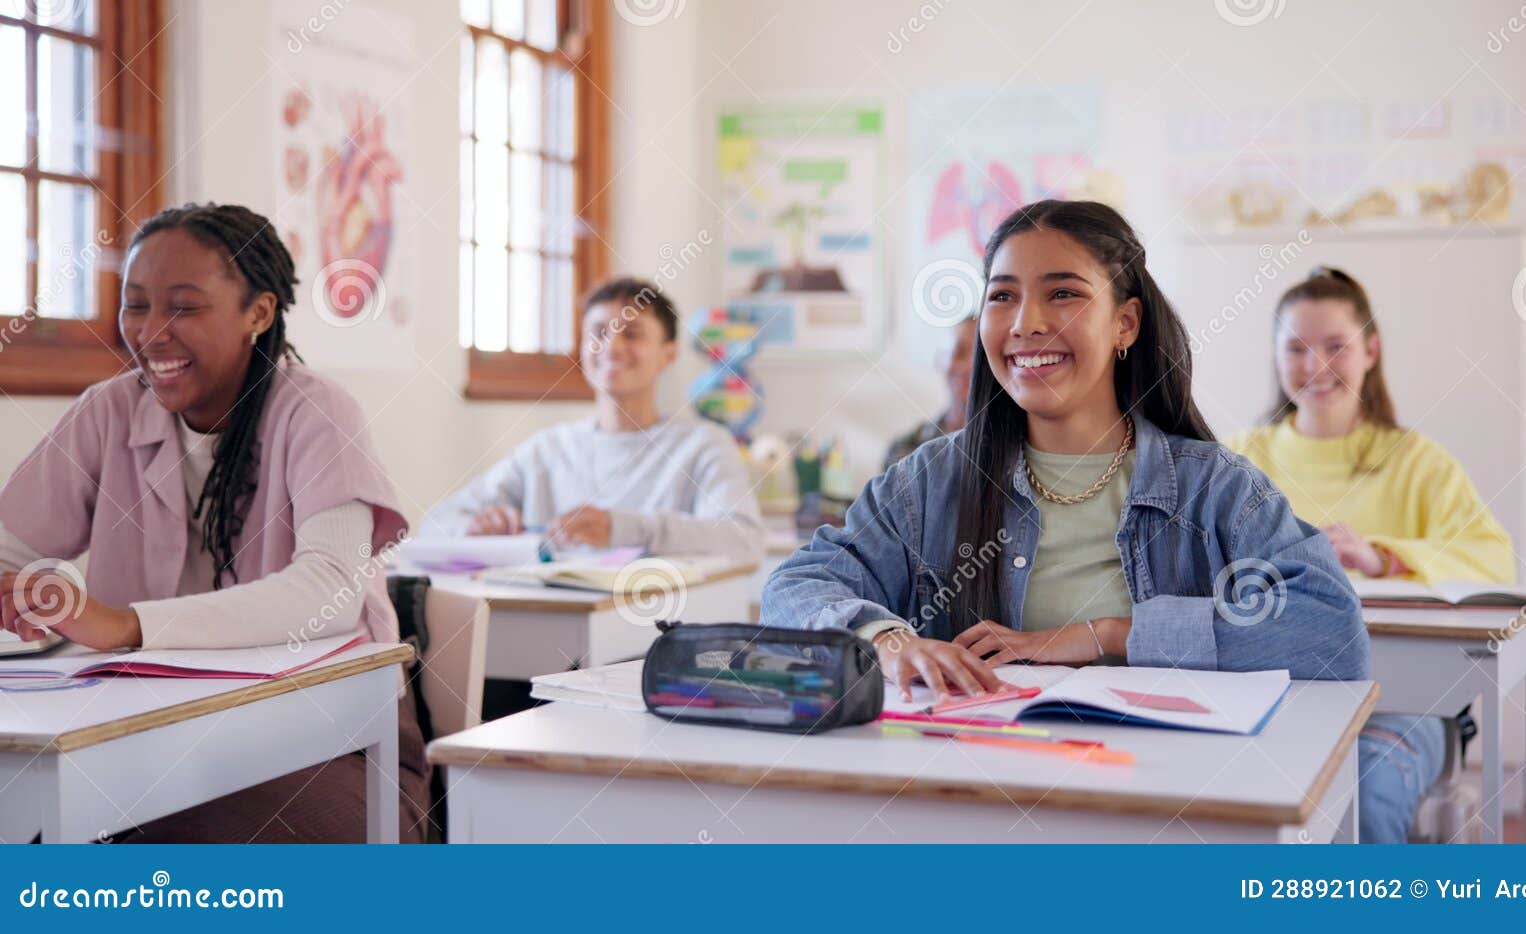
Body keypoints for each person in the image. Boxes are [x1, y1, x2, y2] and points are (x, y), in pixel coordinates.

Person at [762, 198, 1367, 714]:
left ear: (1125, 323)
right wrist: (889, 641)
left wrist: (1100, 636)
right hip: (983, 784)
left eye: (1063, 294)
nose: (1026, 323)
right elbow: (796, 587)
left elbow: (1329, 630)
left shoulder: (1215, 488)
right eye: (1003, 297)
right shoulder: (929, 480)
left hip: (1166, 787)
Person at [0, 203, 427, 842]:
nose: (150, 333)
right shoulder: (109, 412)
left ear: (257, 313)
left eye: (184, 307)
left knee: (164, 845)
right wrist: (18, 592)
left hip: (329, 740)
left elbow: (331, 591)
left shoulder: (315, 413)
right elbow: (9, 545)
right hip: (143, 733)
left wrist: (125, 625)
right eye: (136, 305)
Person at [1227, 265, 1515, 843]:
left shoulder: (1417, 460)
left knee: (1366, 795)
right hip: (1271, 689)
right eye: (1296, 349)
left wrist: (1381, 558)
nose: (1315, 367)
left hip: (1402, 701)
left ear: (1371, 350)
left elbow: (1494, 562)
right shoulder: (1238, 457)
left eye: (1336, 346)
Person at [421, 277, 762, 565]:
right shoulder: (547, 449)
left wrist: (623, 529)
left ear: (669, 354)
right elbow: (434, 523)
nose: (611, 346)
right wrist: (473, 528)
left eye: (632, 333)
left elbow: (744, 541)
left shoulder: (704, 445)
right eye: (598, 332)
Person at [883, 315, 977, 469]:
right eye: (958, 353)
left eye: (981, 358)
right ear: (940, 359)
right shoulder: (907, 450)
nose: (969, 366)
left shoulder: (1018, 450)